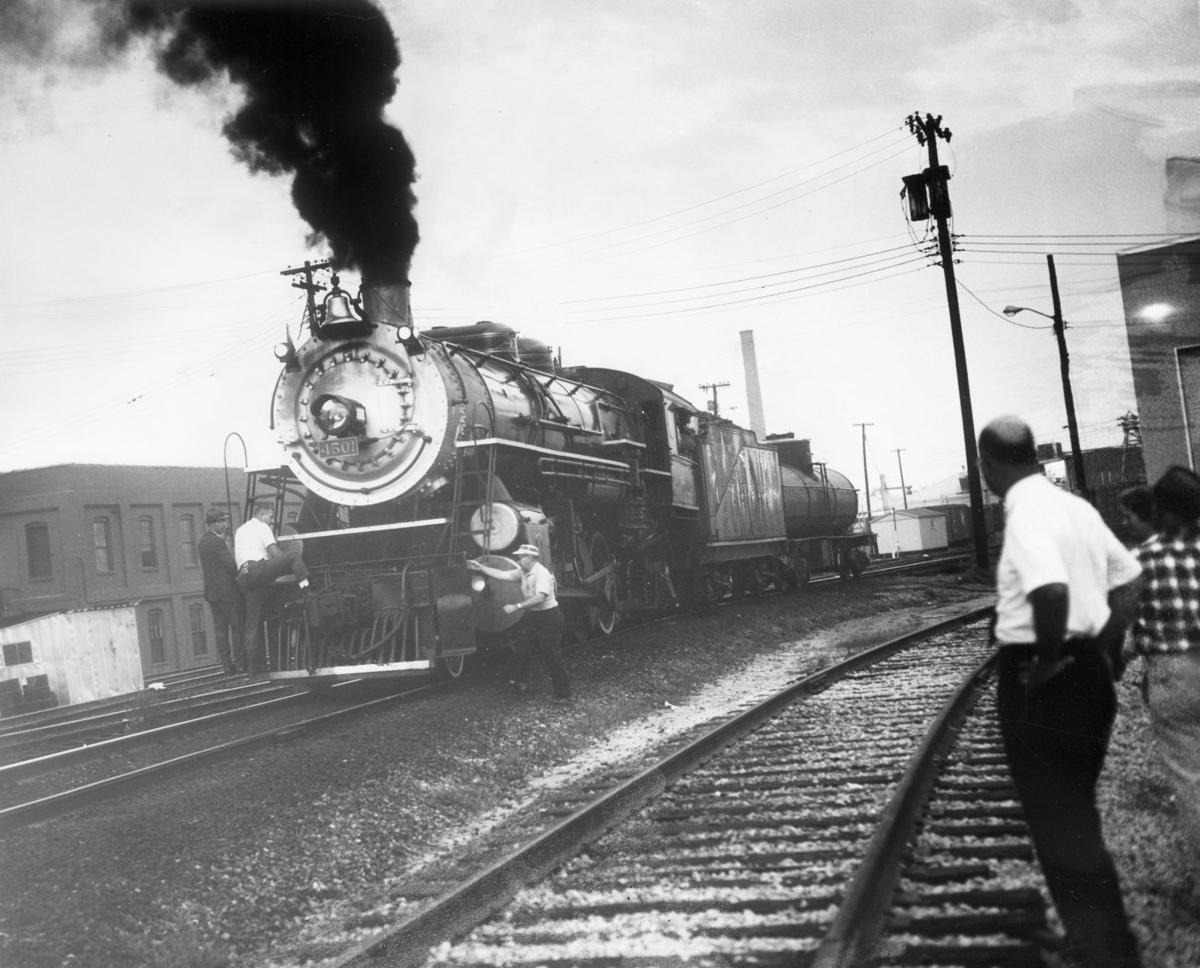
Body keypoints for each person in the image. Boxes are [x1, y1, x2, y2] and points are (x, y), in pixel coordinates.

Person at [977, 415, 1143, 968]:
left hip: (1045, 676)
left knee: (1057, 816)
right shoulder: (1074, 506)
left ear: (989, 465)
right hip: (1088, 674)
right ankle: (1104, 942)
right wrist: (1107, 652)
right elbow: (1128, 580)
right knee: (1074, 811)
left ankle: (1099, 951)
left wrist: (1049, 662)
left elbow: (1049, 592)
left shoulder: (1026, 512)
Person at [1129, 466, 1200, 862]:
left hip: (1174, 674)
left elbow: (1121, 621)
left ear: (1164, 510)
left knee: (1191, 781)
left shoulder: (1142, 559)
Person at [467, 543, 572, 703]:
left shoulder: (541, 573)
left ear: (530, 558)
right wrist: (481, 568)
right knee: (523, 646)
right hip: (535, 615)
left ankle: (564, 694)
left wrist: (517, 606)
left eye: (521, 557)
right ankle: (520, 682)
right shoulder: (523, 571)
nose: (518, 559)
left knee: (550, 653)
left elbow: (540, 598)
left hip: (549, 616)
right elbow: (502, 575)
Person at [235, 504, 310, 674]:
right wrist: (288, 564)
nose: (272, 521)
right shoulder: (262, 527)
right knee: (293, 556)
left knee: (253, 622)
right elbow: (274, 553)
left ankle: (254, 667)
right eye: (270, 517)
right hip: (257, 568)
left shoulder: (240, 530)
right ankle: (306, 587)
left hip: (244, 575)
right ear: (261, 515)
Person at [198, 507, 244, 674]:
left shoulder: (203, 541)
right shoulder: (218, 542)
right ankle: (240, 663)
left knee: (221, 630)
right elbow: (231, 566)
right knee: (237, 627)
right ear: (213, 524)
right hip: (228, 593)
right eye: (221, 521)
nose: (224, 524)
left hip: (212, 593)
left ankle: (226, 665)